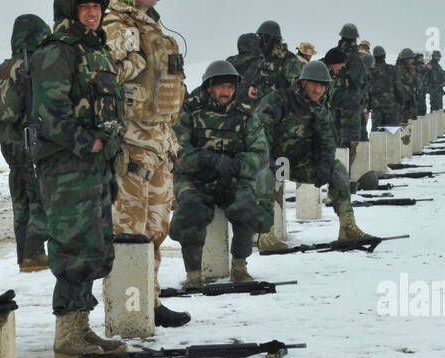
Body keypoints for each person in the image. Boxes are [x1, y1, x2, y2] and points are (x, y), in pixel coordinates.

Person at [29, 0, 125, 358]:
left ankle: (82, 326)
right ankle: (67, 335)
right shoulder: (57, 52)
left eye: (96, 6)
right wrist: (86, 140)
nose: (91, 13)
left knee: (94, 244)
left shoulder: (98, 52)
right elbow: (46, 109)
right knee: (72, 245)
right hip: (67, 165)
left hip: (95, 163)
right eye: (83, 6)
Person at [103, 0, 190, 328]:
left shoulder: (150, 25)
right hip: (132, 144)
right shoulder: (117, 23)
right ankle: (127, 308)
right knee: (128, 231)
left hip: (158, 142)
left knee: (155, 230)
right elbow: (106, 70)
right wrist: (134, 62)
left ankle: (149, 301)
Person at [171, 60, 271, 290]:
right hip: (196, 179)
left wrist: (237, 165)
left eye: (230, 87)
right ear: (209, 87)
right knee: (191, 208)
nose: (226, 92)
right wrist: (207, 160)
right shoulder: (189, 111)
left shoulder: (245, 115)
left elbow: (261, 153)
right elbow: (177, 151)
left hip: (232, 179)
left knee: (246, 205)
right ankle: (194, 274)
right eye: (220, 87)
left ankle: (239, 265)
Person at [256, 60, 373, 242]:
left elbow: (328, 141)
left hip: (300, 163)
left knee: (339, 170)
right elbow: (260, 132)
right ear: (303, 83)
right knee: (264, 175)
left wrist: (325, 165)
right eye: (314, 84)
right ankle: (264, 234)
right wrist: (268, 159)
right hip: (275, 160)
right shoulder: (279, 99)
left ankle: (347, 226)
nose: (318, 90)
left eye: (322, 86)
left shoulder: (320, 109)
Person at [0, 14, 52, 273]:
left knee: (21, 198)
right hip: (30, 140)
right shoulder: (36, 65)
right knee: (39, 196)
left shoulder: (2, 69)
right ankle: (34, 254)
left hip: (8, 142)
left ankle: (24, 254)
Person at [333, 23, 369, 162]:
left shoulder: (333, 53)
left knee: (335, 137)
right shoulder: (355, 58)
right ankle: (348, 171)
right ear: (354, 39)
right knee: (351, 140)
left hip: (334, 101)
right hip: (351, 104)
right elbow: (359, 80)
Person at [242, 20, 301, 105]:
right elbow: (261, 75)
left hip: (278, 111)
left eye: (260, 38)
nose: (258, 41)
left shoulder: (289, 60)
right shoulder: (265, 58)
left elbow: (298, 89)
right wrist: (253, 85)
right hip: (259, 109)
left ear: (268, 39)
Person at [368, 45, 403, 131]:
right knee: (392, 131)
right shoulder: (392, 69)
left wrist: (368, 105)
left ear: (374, 57)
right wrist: (402, 101)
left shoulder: (370, 71)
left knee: (376, 132)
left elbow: (367, 90)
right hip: (391, 106)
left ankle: (376, 145)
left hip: (376, 107)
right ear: (384, 56)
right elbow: (398, 87)